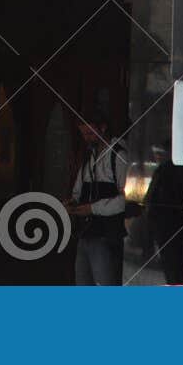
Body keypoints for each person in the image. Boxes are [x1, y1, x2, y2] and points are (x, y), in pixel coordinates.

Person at [69, 111, 129, 285]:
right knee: (83, 283)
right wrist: (72, 204)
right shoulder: (90, 158)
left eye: (90, 133)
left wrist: (92, 208)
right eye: (83, 134)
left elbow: (125, 200)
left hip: (106, 235)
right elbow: (78, 192)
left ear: (103, 128)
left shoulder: (118, 156)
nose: (87, 138)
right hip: (86, 234)